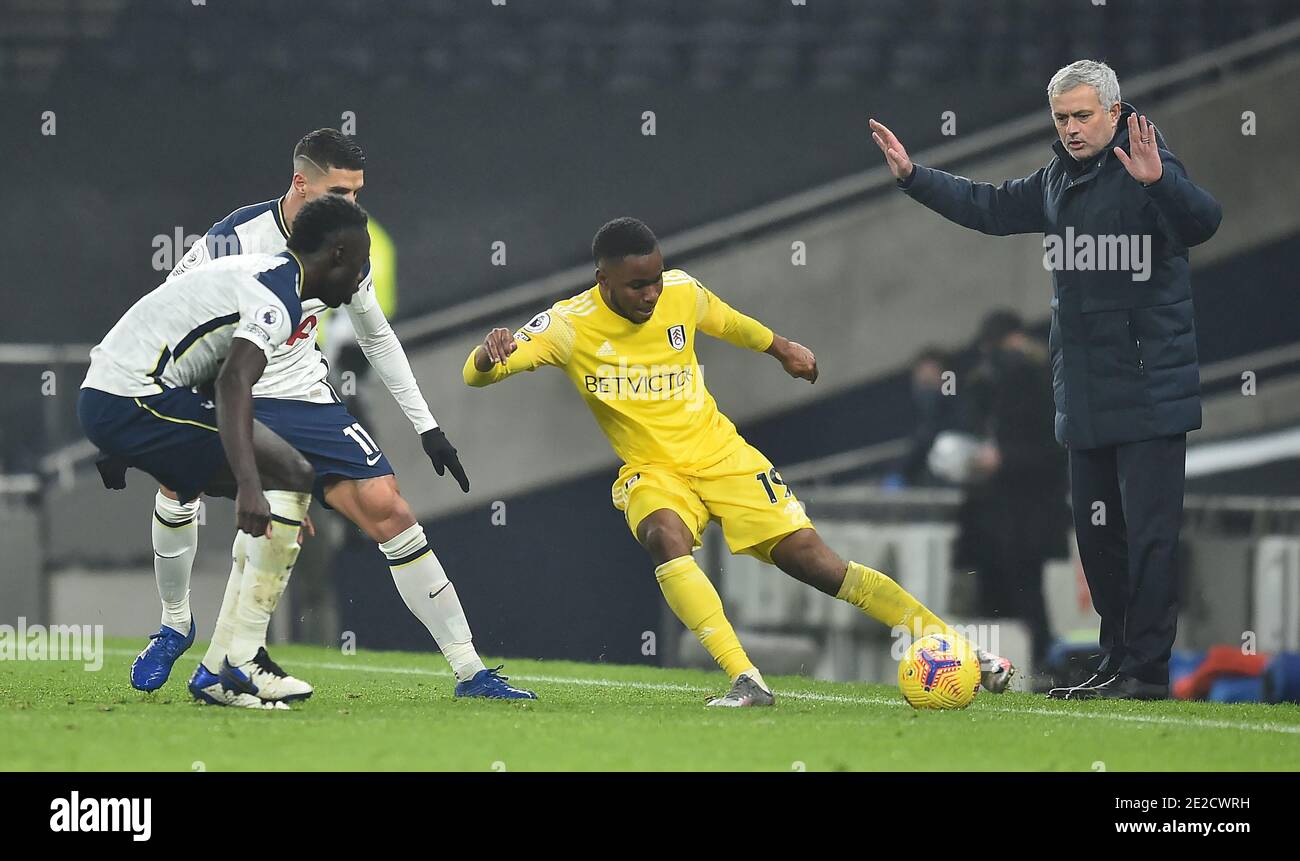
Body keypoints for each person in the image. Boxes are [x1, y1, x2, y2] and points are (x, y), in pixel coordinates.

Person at [463, 217, 1015, 706]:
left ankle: (963, 651)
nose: (651, 293)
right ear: (603, 278)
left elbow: (728, 321)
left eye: (655, 278)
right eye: (637, 284)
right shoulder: (567, 325)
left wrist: (783, 348)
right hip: (654, 472)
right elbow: (478, 373)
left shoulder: (680, 293)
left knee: (817, 563)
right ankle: (746, 678)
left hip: (724, 455)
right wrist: (488, 356)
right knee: (664, 535)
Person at [126, 129, 534, 702]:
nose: (352, 205)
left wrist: (428, 427)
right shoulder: (234, 240)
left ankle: (471, 672)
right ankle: (175, 625)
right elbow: (166, 317)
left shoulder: (347, 244)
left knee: (389, 509)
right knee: (176, 486)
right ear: (301, 183)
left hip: (305, 394)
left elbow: (377, 337)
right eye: (339, 192)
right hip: (234, 389)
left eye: (357, 192)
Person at [870, 59, 1222, 699]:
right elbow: (991, 206)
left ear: (1114, 113)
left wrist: (1160, 184)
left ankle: (1146, 671)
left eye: (1083, 116)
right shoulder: (1059, 178)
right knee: (1099, 539)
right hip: (1083, 396)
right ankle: (1115, 663)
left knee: (1148, 539)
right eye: (1061, 118)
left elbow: (1203, 221)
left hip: (1149, 392)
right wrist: (916, 179)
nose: (1071, 129)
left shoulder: (1149, 166)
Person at [79, 195, 369, 708]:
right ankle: (242, 659)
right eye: (362, 261)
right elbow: (235, 381)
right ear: (338, 255)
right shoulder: (277, 296)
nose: (365, 275)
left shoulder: (266, 271)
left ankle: (217, 672)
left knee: (288, 479)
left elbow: (186, 340)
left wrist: (273, 495)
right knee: (293, 472)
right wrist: (254, 487)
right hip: (132, 397)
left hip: (116, 392)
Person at [954, 310, 1068, 669]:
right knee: (993, 594)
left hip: (1028, 510)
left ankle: (1041, 665)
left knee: (1026, 591)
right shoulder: (988, 383)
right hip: (993, 513)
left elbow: (1053, 450)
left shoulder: (1041, 381)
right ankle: (994, 666)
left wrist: (1004, 459)